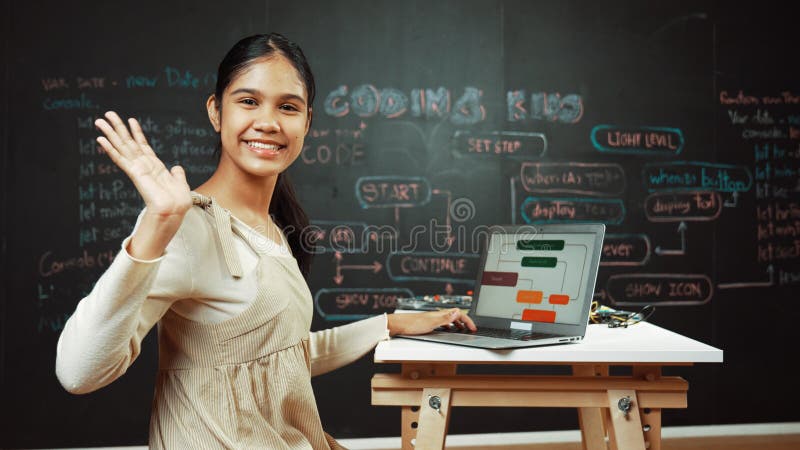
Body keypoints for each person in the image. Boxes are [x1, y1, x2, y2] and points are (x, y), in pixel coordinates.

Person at [55, 33, 476, 449]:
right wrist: (155, 228)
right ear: (216, 112)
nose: (269, 122)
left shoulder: (272, 226)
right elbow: (78, 372)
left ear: (307, 122)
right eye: (248, 101)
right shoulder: (189, 229)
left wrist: (388, 325)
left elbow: (277, 359)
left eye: (287, 107)